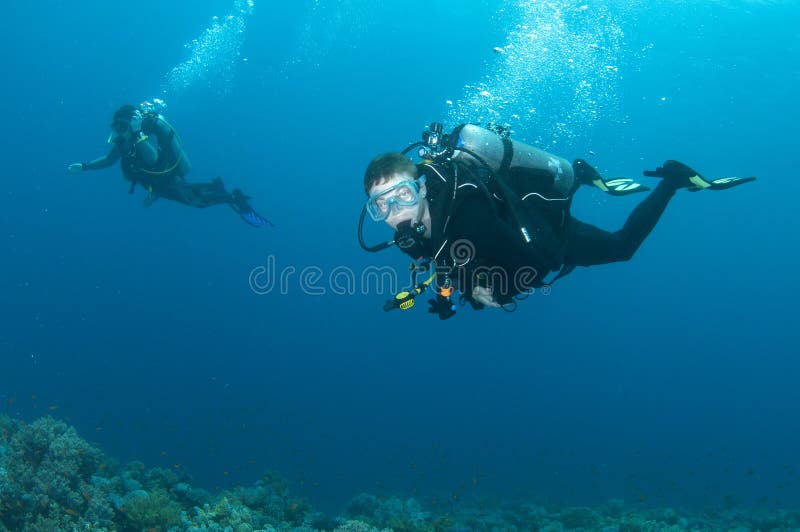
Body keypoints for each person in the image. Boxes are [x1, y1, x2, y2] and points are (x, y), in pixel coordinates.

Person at [359, 122, 755, 319]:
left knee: (622, 248)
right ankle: (580, 177)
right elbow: (450, 258)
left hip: (550, 231)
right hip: (519, 213)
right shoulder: (422, 228)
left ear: (423, 187)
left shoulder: (467, 213)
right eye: (382, 206)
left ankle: (671, 181)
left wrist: (492, 293)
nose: (398, 213)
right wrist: (455, 291)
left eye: (403, 196)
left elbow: (535, 264)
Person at [68, 103, 273, 228]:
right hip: (156, 184)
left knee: (196, 202)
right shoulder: (123, 140)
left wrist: (138, 134)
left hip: (167, 176)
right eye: (116, 126)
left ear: (131, 123)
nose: (120, 131)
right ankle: (220, 188)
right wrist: (84, 167)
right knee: (194, 200)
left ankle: (235, 198)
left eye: (123, 125)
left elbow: (154, 162)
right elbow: (109, 160)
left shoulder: (142, 135)